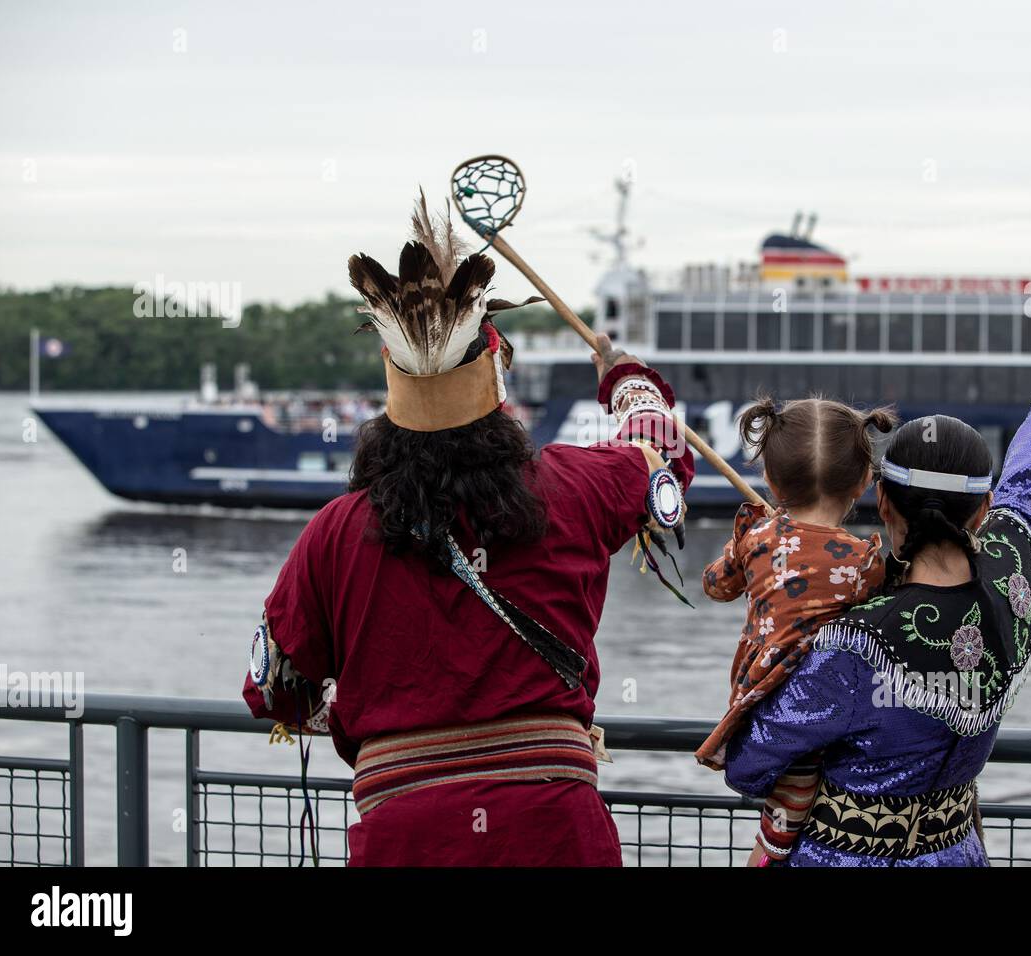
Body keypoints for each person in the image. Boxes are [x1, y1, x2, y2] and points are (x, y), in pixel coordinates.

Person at [242, 197, 693, 866]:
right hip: (553, 828)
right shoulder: (570, 488)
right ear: (498, 383)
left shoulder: (335, 533)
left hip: (406, 835)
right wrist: (624, 377)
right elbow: (660, 457)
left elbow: (276, 689)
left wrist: (371, 714)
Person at [723, 291, 1031, 866]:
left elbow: (750, 766)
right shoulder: (1011, 571)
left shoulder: (853, 643)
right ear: (983, 508)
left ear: (882, 502)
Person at [695, 395, 896, 863]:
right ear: (865, 481)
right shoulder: (864, 560)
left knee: (793, 780)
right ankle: (777, 844)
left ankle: (773, 841)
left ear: (768, 478)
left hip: (758, 690)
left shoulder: (759, 539)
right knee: (811, 770)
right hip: (821, 698)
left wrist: (744, 544)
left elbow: (715, 586)